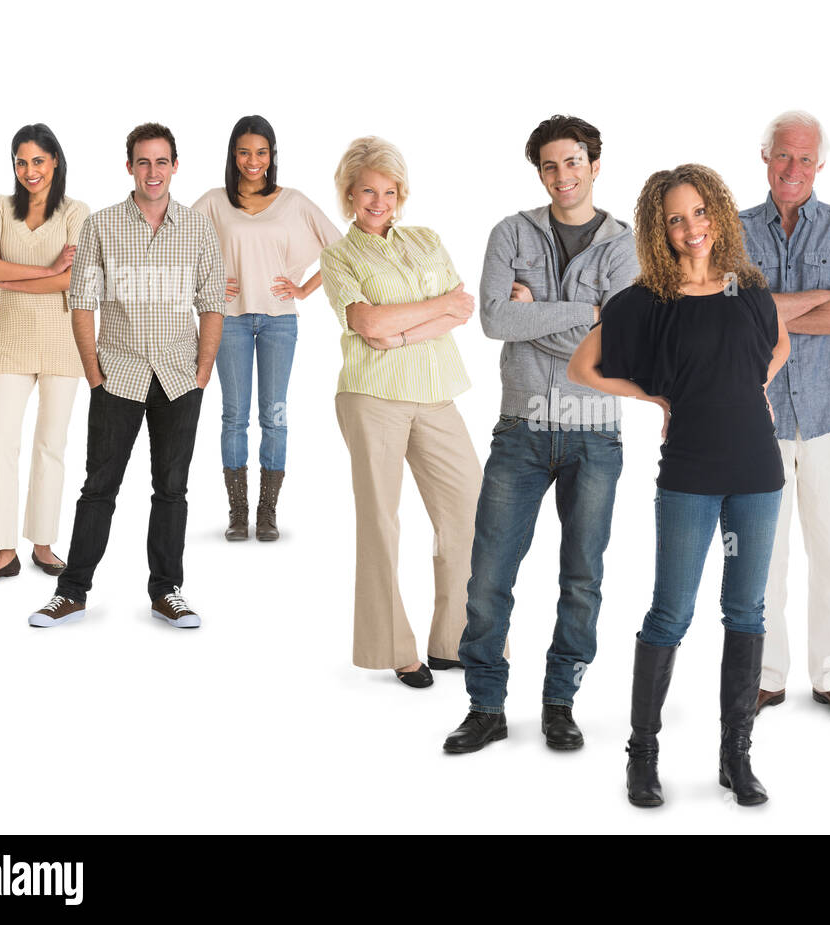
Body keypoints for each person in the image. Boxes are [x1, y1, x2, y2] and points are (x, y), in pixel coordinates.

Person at [569, 164, 789, 807]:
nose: (691, 228)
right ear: (658, 230)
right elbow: (585, 367)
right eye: (675, 218)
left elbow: (776, 349)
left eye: (699, 213)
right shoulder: (646, 302)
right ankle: (643, 754)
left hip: (756, 474)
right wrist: (657, 395)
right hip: (690, 476)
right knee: (671, 612)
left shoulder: (747, 287)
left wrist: (754, 392)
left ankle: (736, 756)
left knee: (747, 612)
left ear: (717, 214)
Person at [443, 116, 639, 754]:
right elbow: (496, 321)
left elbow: (625, 343)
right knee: (488, 576)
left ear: (594, 165)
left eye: (574, 163)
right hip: (521, 427)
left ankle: (561, 703)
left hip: (595, 431)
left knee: (582, 575)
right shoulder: (511, 232)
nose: (563, 176)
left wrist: (536, 315)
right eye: (551, 166)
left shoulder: (623, 243)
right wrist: (589, 314)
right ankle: (485, 706)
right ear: (540, 172)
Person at [26, 123, 225, 629]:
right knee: (99, 488)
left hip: (180, 377)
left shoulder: (199, 229)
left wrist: (202, 372)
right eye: (143, 162)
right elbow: (82, 301)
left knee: (172, 491)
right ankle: (70, 592)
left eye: (161, 162)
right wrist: (94, 373)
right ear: (129, 167)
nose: (152, 171)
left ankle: (167, 592)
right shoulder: (102, 226)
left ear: (175, 166)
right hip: (117, 375)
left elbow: (213, 304)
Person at [319, 136, 482, 689]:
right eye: (368, 190)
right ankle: (395, 649)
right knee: (381, 523)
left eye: (389, 191)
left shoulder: (427, 239)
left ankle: (456, 641)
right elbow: (365, 324)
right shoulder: (339, 256)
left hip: (437, 391)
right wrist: (414, 317)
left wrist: (403, 328)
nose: (379, 200)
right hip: (372, 397)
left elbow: (461, 308)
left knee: (470, 513)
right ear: (349, 194)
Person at [739, 111, 830, 724]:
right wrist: (824, 295)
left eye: (805, 158)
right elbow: (726, 318)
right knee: (763, 558)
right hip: (755, 419)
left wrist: (765, 312)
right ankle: (766, 677)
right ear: (765, 157)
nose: (793, 168)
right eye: (783, 156)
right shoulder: (733, 232)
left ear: (820, 165)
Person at [192, 115, 341, 542]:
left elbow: (341, 248)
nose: (252, 160)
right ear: (233, 155)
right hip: (230, 319)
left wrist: (304, 288)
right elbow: (176, 242)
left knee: (274, 416)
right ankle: (238, 513)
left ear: (272, 155)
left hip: (279, 321)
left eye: (261, 152)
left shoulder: (292, 200)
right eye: (244, 152)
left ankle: (267, 512)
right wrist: (210, 282)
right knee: (234, 416)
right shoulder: (214, 201)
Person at [0, 124, 89, 587]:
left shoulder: (77, 213)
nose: (29, 170)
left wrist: (10, 278)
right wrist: (47, 268)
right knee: (1, 445)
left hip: (62, 339)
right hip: (12, 338)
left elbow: (72, 280)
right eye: (21, 161)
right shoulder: (0, 207)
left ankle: (42, 543)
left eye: (38, 160)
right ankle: (3, 552)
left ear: (55, 160)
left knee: (50, 447)